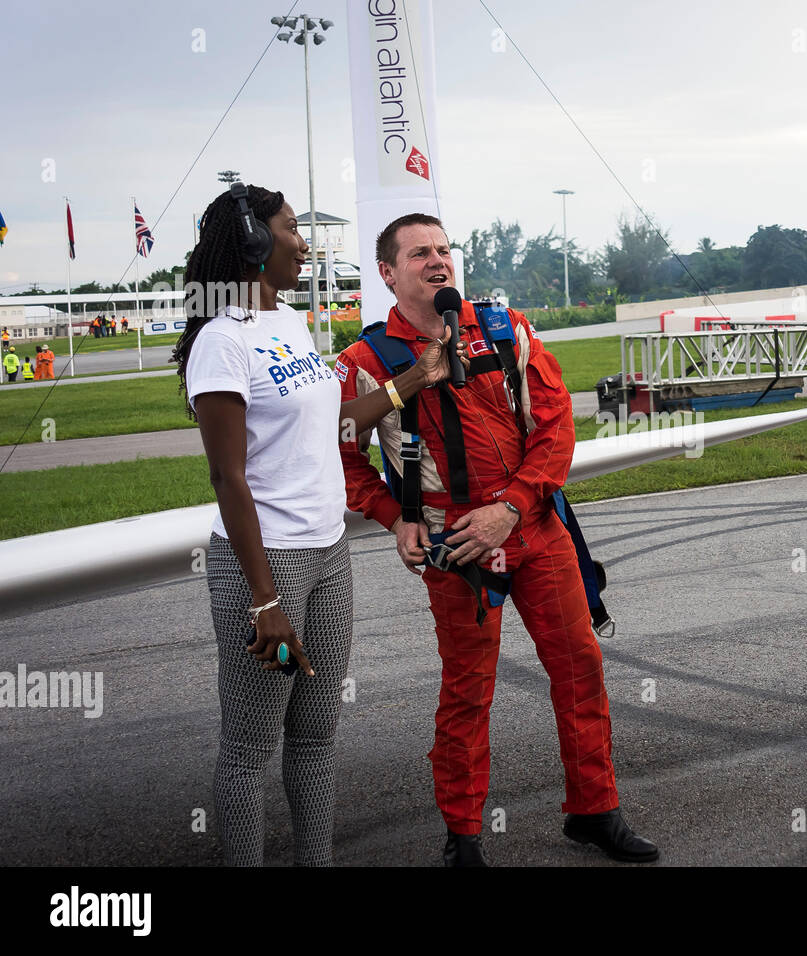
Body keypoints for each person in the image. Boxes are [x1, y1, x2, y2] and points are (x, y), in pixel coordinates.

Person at [336, 213, 658, 867]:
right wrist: (392, 516)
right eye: (419, 253)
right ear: (388, 274)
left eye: (445, 249)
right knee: (467, 687)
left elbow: (556, 423)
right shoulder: (367, 362)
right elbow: (342, 453)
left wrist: (511, 509)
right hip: (453, 546)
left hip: (532, 527)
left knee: (579, 668)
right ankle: (463, 838)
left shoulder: (506, 329)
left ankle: (594, 811)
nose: (438, 261)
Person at [173, 183, 452, 866]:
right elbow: (227, 477)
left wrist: (412, 380)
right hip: (266, 565)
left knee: (318, 731)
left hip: (327, 553)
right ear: (254, 243)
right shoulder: (222, 342)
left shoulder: (290, 324)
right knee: (249, 748)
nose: (306, 243)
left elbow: (331, 427)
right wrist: (264, 601)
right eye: (293, 229)